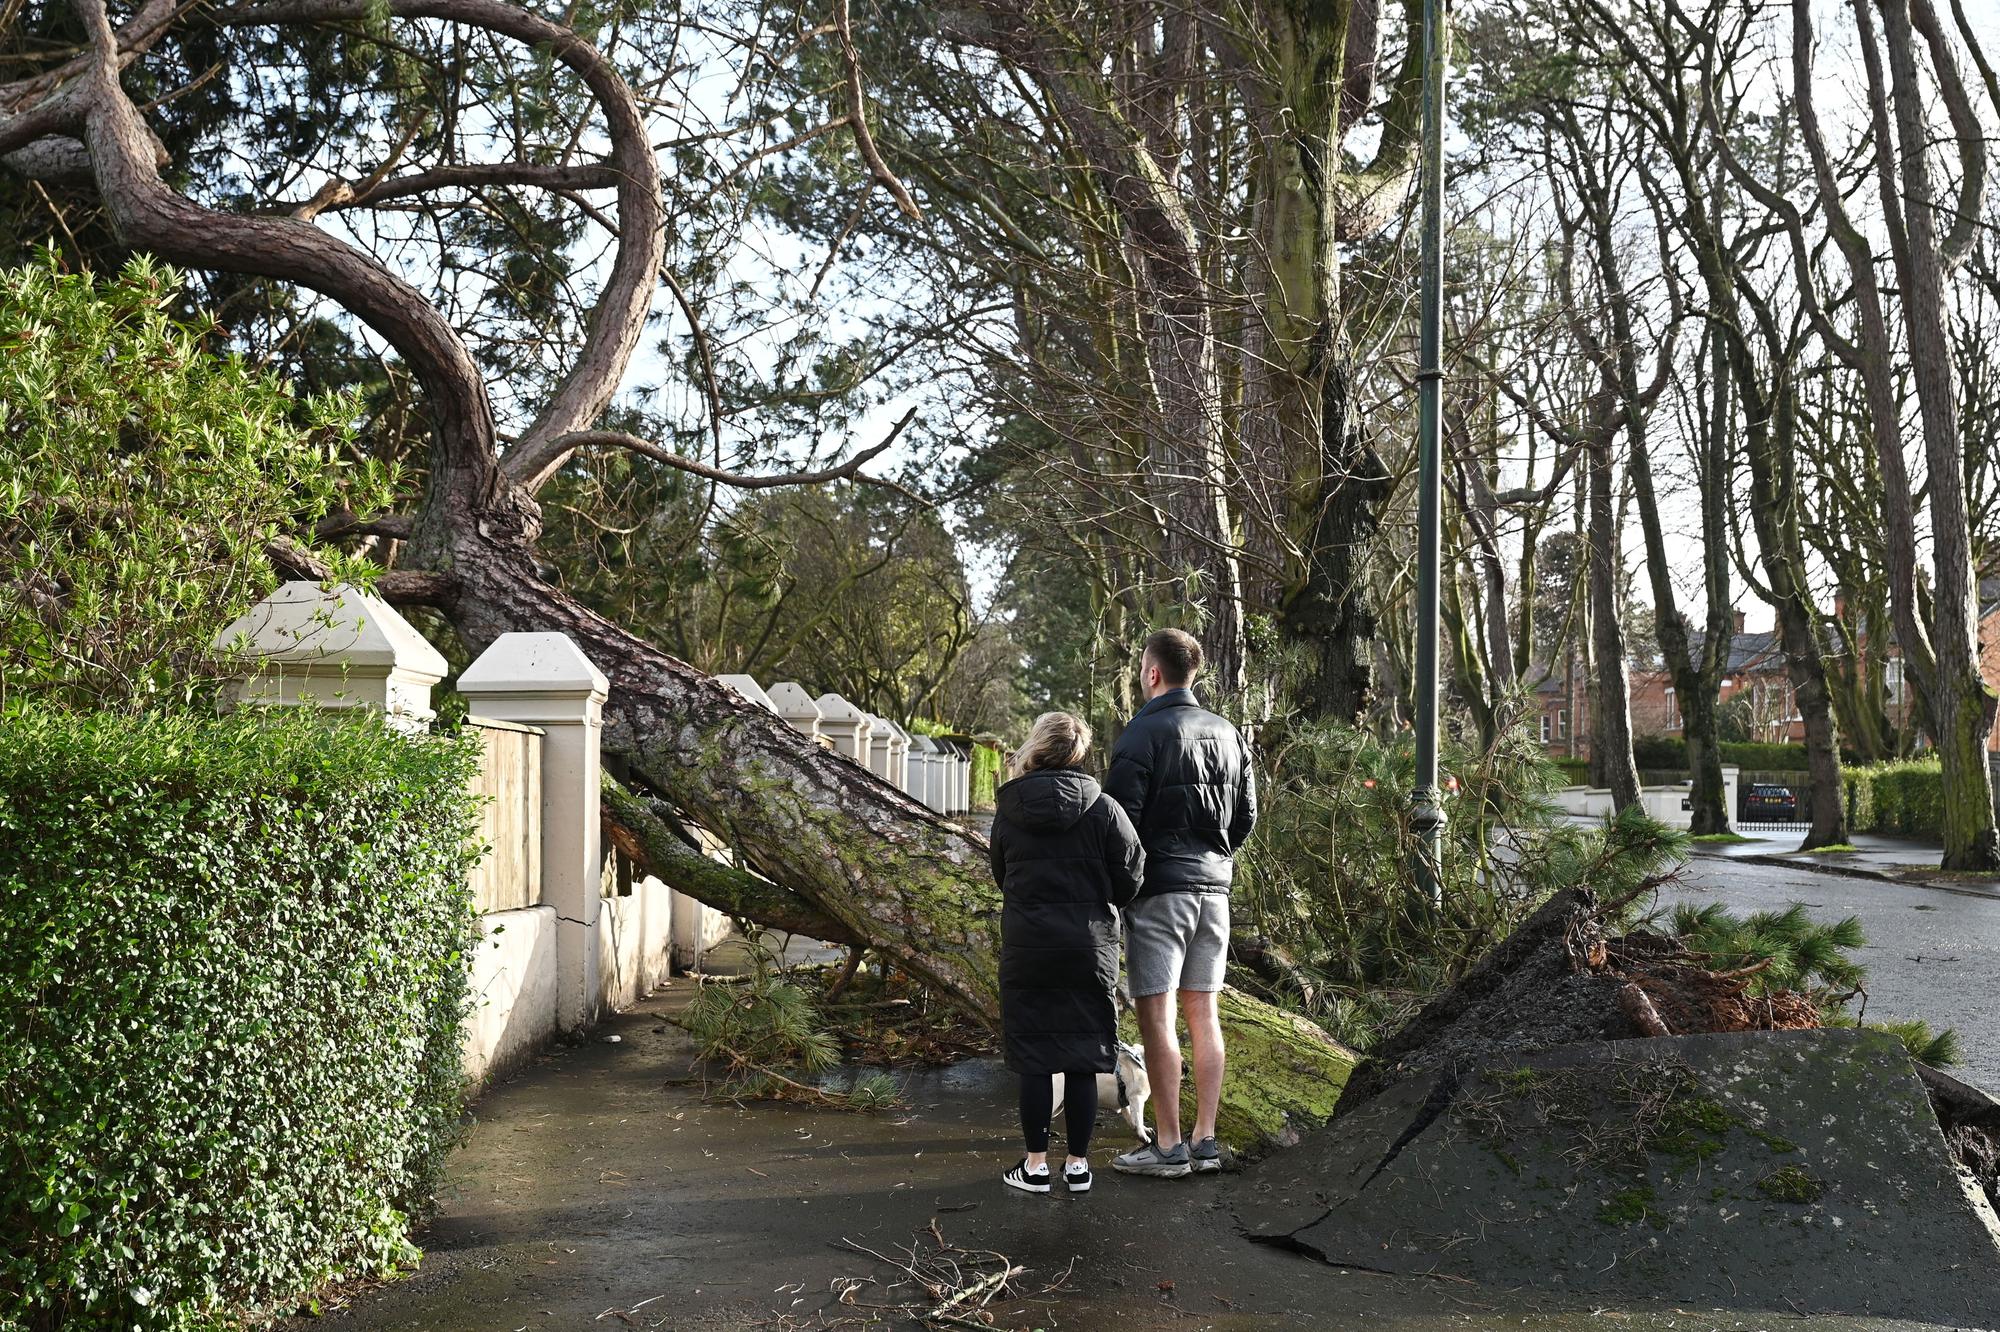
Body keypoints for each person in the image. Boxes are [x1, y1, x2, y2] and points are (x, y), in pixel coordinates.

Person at [1104, 629, 1255, 1179]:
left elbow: (1119, 827)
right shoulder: (1229, 733)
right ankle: (1205, 1140)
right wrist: (1212, 860)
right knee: (1204, 1014)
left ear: (1151, 673)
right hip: (1215, 892)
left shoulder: (1139, 735)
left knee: (1157, 1015)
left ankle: (1167, 1146)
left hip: (1159, 893)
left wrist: (1124, 888)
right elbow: (1245, 818)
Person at [989, 711, 1145, 1196]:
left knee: (1035, 1057)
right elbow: (1132, 876)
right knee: (1084, 1055)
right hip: (1089, 947)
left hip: (1029, 946)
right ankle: (1078, 1166)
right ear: (1080, 753)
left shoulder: (1008, 809)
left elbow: (1001, 874)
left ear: (1035, 747)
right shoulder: (1105, 809)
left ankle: (1035, 1166)